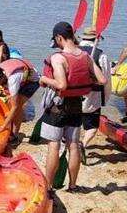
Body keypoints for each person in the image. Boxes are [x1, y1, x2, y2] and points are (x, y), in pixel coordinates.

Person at [38, 22, 106, 191]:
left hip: (58, 107)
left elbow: (61, 85)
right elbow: (102, 80)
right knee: (73, 145)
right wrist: (84, 82)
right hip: (77, 105)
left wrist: (44, 79)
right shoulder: (86, 56)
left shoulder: (58, 57)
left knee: (53, 145)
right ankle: (73, 185)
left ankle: (48, 186)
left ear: (59, 38)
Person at [0, 58, 40, 138]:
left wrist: (3, 126)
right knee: (10, 102)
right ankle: (11, 121)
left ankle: (15, 134)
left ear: (3, 77)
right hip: (21, 77)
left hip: (32, 81)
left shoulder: (13, 79)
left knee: (18, 105)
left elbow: (15, 106)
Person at [77, 28, 111, 156]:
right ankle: (83, 144)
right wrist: (105, 98)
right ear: (97, 39)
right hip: (92, 96)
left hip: (72, 94)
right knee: (91, 127)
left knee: (73, 123)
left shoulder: (72, 52)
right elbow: (106, 79)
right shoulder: (101, 55)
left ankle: (71, 143)